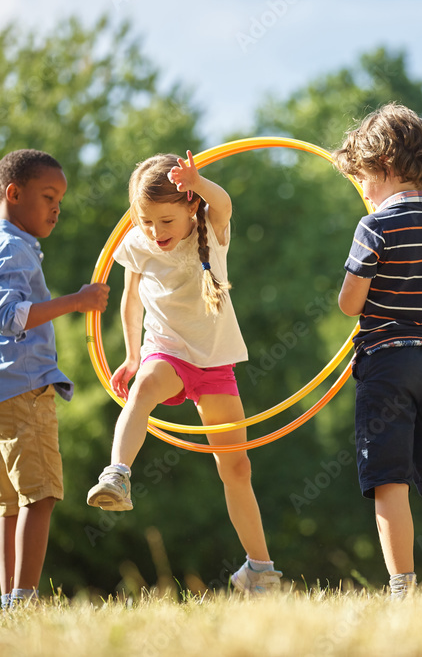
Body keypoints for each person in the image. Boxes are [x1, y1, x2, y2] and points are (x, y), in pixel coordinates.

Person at [86, 151, 281, 594]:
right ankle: (117, 474)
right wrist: (134, 356)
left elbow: (224, 201)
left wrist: (199, 180)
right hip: (167, 351)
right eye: (147, 221)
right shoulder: (138, 241)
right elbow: (131, 301)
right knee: (144, 388)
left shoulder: (211, 227)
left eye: (166, 222)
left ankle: (258, 569)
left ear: (191, 205)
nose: (156, 233)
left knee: (236, 468)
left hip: (214, 363)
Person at [0, 149, 110, 609]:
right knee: (42, 493)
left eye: (61, 200)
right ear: (13, 194)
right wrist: (77, 300)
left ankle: (12, 599)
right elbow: (12, 317)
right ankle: (26, 597)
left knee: (8, 503)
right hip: (20, 386)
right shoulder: (12, 249)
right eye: (48, 196)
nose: (57, 208)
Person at [333, 103, 422, 598]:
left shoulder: (374, 226)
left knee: (388, 478)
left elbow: (349, 304)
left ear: (387, 166)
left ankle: (402, 587)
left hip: (387, 362)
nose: (364, 190)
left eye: (365, 178)